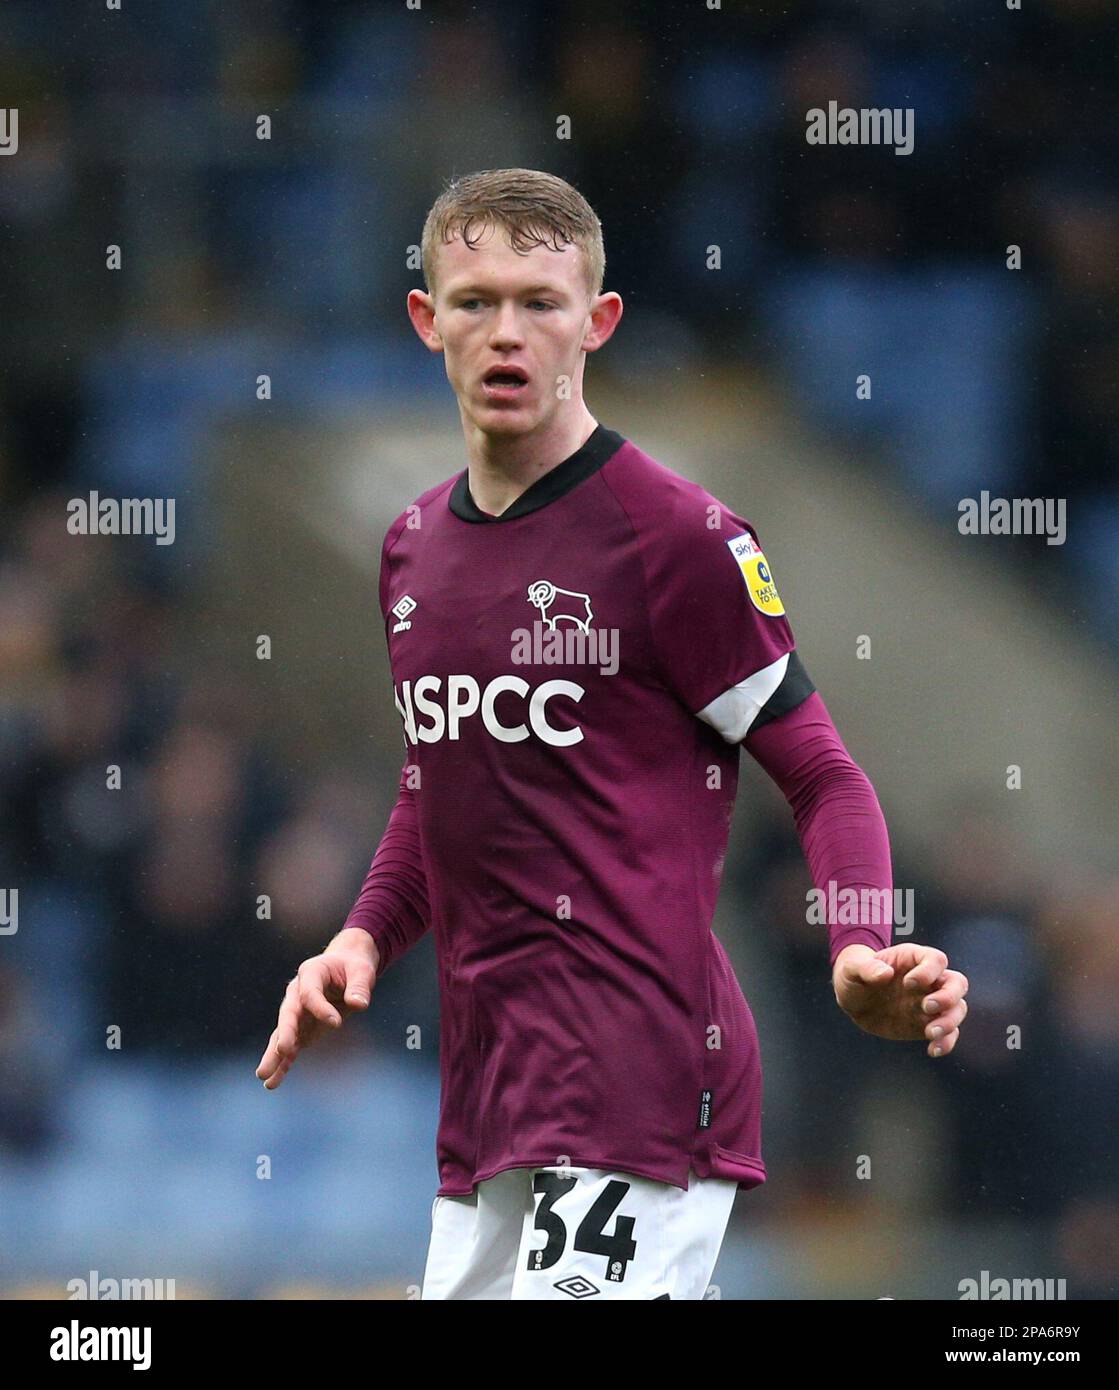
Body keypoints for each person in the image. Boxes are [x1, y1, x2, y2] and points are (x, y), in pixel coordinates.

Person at [255, 168, 969, 1301]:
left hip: (642, 1076)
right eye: (474, 298)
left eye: (540, 302)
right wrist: (364, 937)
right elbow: (435, 779)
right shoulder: (410, 549)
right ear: (424, 319)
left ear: (597, 323)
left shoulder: (676, 540)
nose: (505, 332)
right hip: (489, 1089)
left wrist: (855, 946)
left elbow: (823, 773)